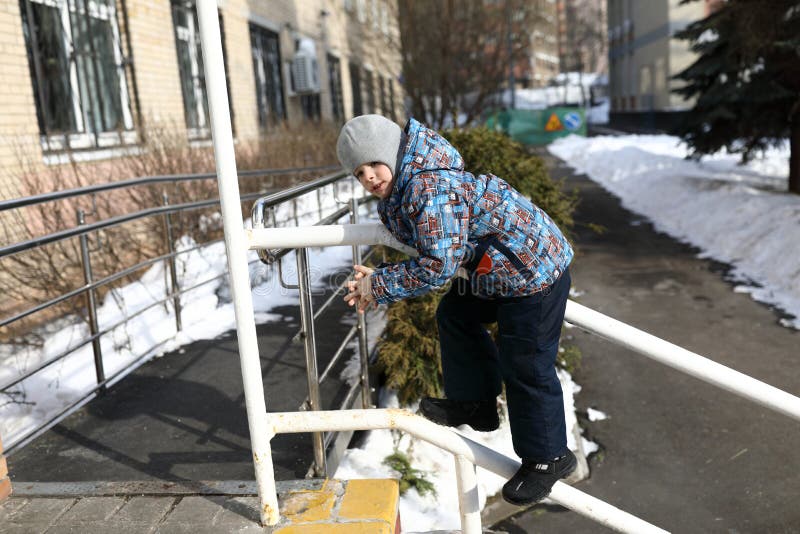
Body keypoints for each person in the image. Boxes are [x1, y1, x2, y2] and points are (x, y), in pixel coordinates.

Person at [337, 114, 576, 506]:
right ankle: (476, 402)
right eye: (359, 173)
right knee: (456, 313)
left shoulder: (430, 185)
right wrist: (377, 279)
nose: (369, 178)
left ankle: (549, 457)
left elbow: (436, 265)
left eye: (374, 165)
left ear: (394, 154)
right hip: (498, 272)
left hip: (533, 271)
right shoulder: (406, 187)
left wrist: (378, 284)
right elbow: (434, 245)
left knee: (526, 363)